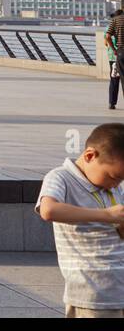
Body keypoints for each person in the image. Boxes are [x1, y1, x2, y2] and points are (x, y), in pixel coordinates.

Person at [37, 122, 124, 317]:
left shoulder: (115, 187)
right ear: (90, 156)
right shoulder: (61, 177)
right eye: (113, 176)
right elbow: (48, 210)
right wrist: (107, 215)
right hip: (92, 294)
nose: (116, 184)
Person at [106, 8, 124, 110]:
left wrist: (114, 49)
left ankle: (112, 102)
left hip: (120, 53)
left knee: (116, 78)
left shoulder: (115, 20)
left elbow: (107, 36)